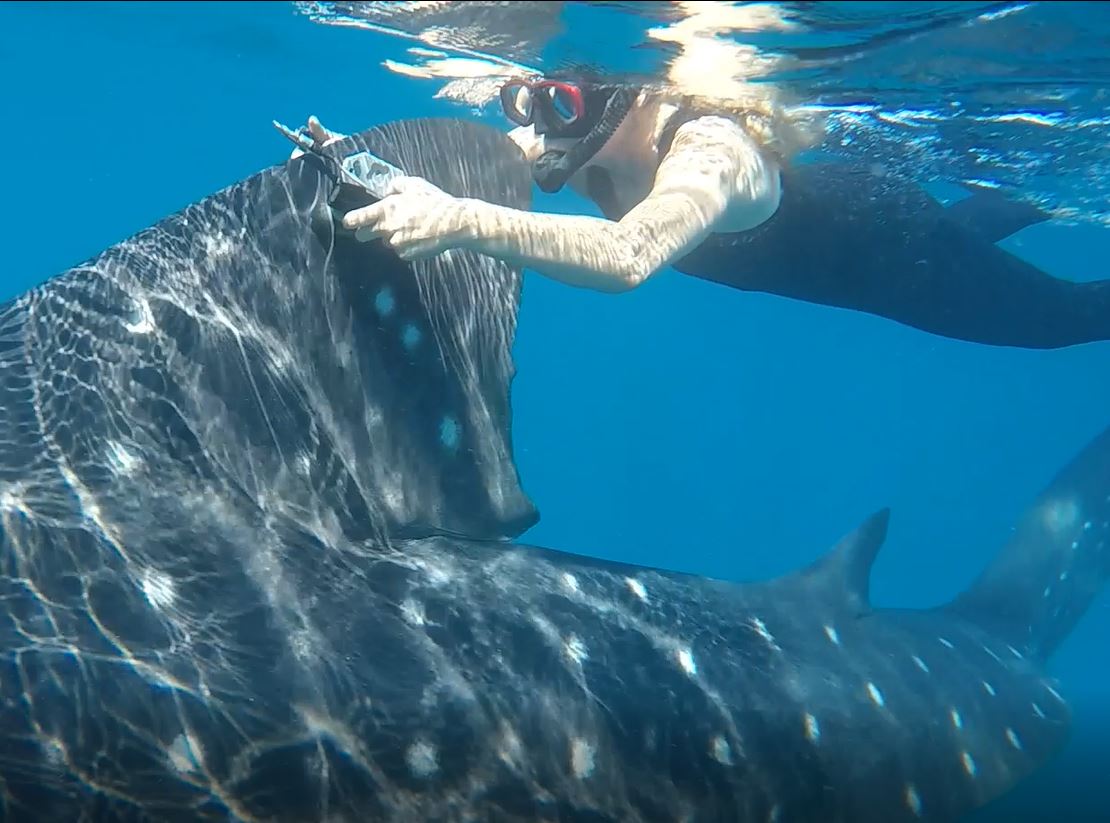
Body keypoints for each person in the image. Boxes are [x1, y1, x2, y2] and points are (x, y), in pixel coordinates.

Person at [297, 73, 1110, 349]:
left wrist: (459, 221)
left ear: (630, 97)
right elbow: (472, 167)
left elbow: (626, 257)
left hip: (892, 252)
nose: (540, 129)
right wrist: (366, 167)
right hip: (866, 209)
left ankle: (1036, 200)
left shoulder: (711, 153)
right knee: (967, 231)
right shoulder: (583, 139)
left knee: (1065, 319)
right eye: (533, 103)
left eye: (563, 106)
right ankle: (1028, 199)